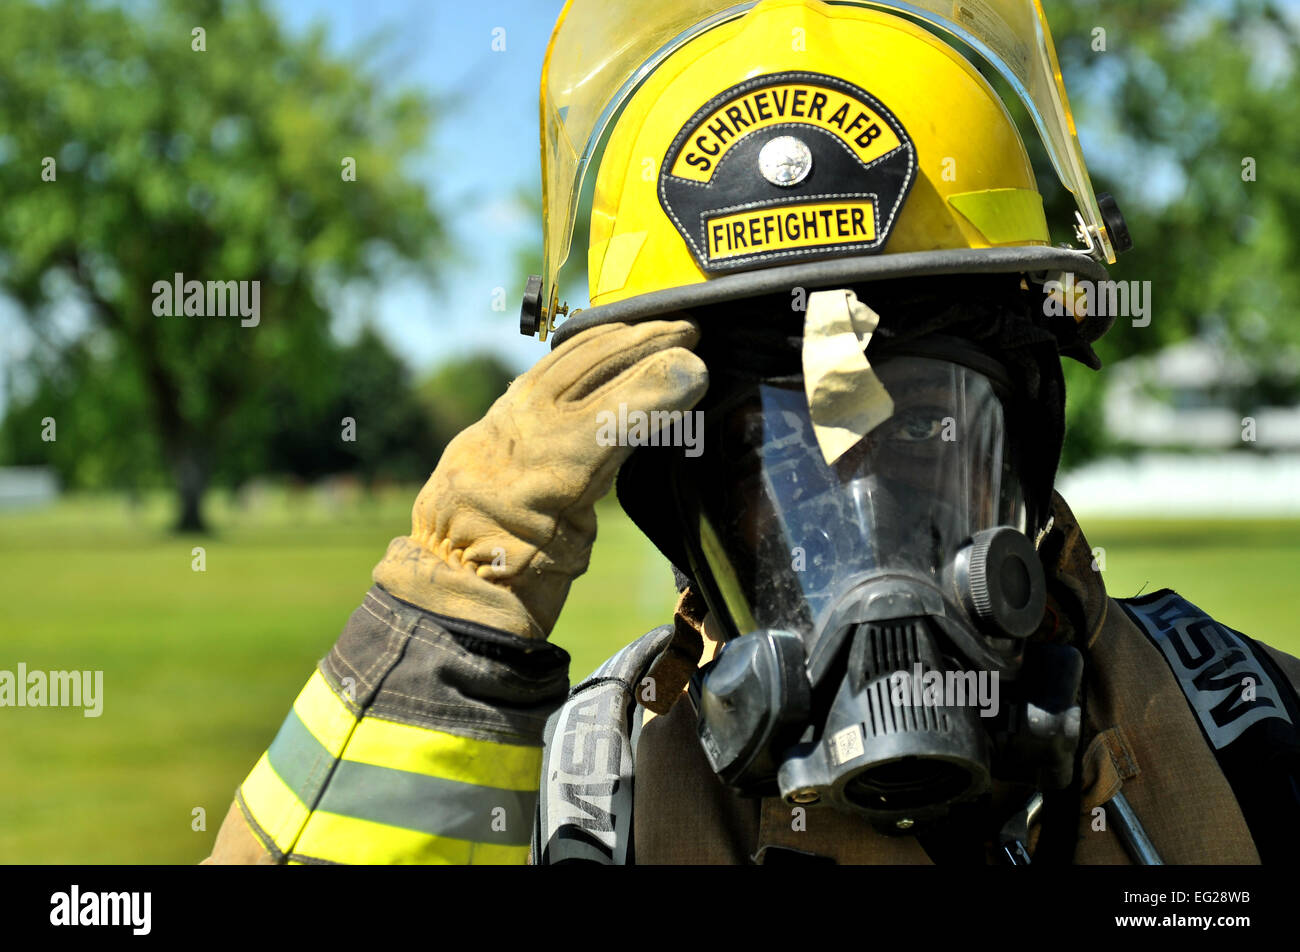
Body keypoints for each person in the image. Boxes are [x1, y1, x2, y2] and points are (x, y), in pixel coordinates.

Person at [204, 0, 1300, 865]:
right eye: (774, 461)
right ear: (677, 507)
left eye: (916, 428)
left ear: (1021, 444)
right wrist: (448, 634)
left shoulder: (1242, 730)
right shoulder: (591, 791)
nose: (862, 541)